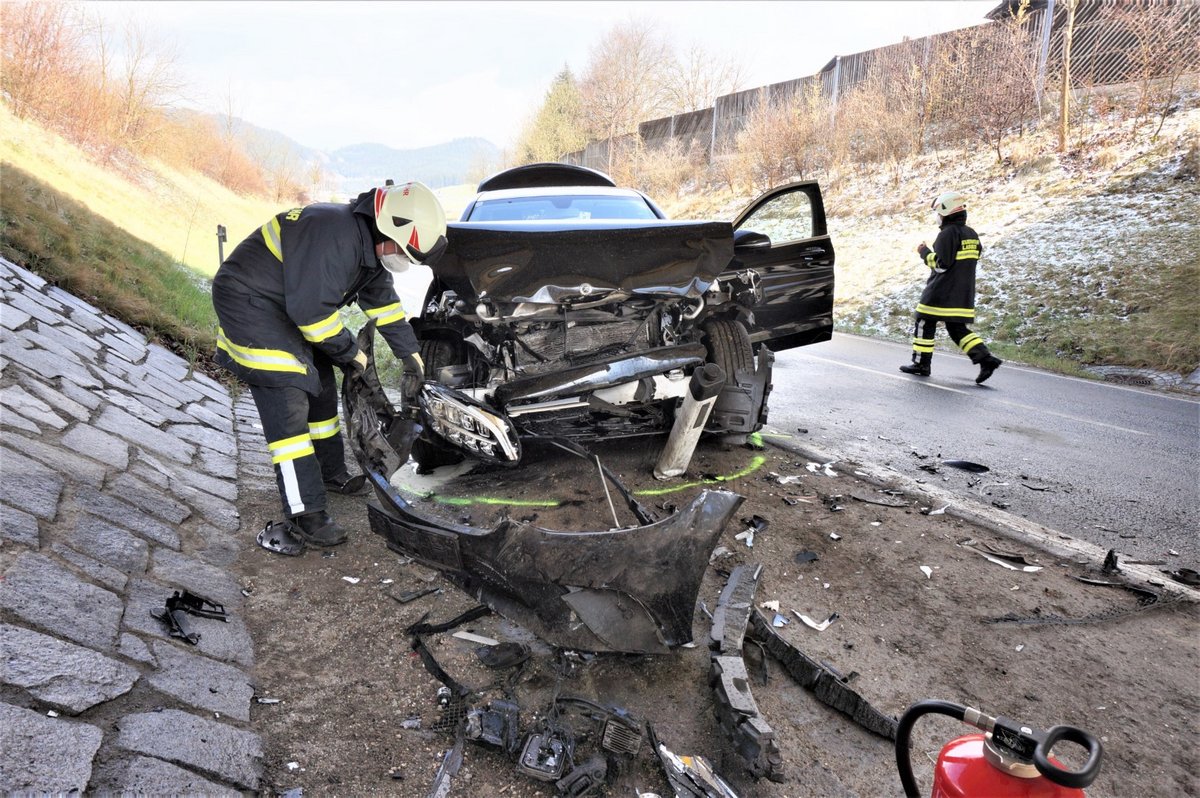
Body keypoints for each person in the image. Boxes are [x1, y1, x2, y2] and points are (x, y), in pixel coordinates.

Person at [212, 181, 447, 547]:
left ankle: (330, 472)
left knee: (319, 385)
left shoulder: (369, 248)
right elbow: (311, 314)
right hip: (250, 302)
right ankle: (306, 513)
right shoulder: (333, 234)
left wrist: (409, 353)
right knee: (288, 399)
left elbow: (383, 303)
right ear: (387, 229)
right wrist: (351, 352)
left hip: (286, 305)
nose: (402, 262)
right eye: (403, 253)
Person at [900, 190, 1002, 384]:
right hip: (963, 292)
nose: (937, 217)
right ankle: (986, 359)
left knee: (924, 321)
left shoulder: (947, 234)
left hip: (941, 292)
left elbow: (941, 264)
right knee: (957, 328)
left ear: (946, 213)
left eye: (938, 213)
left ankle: (921, 364)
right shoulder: (971, 233)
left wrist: (924, 252)